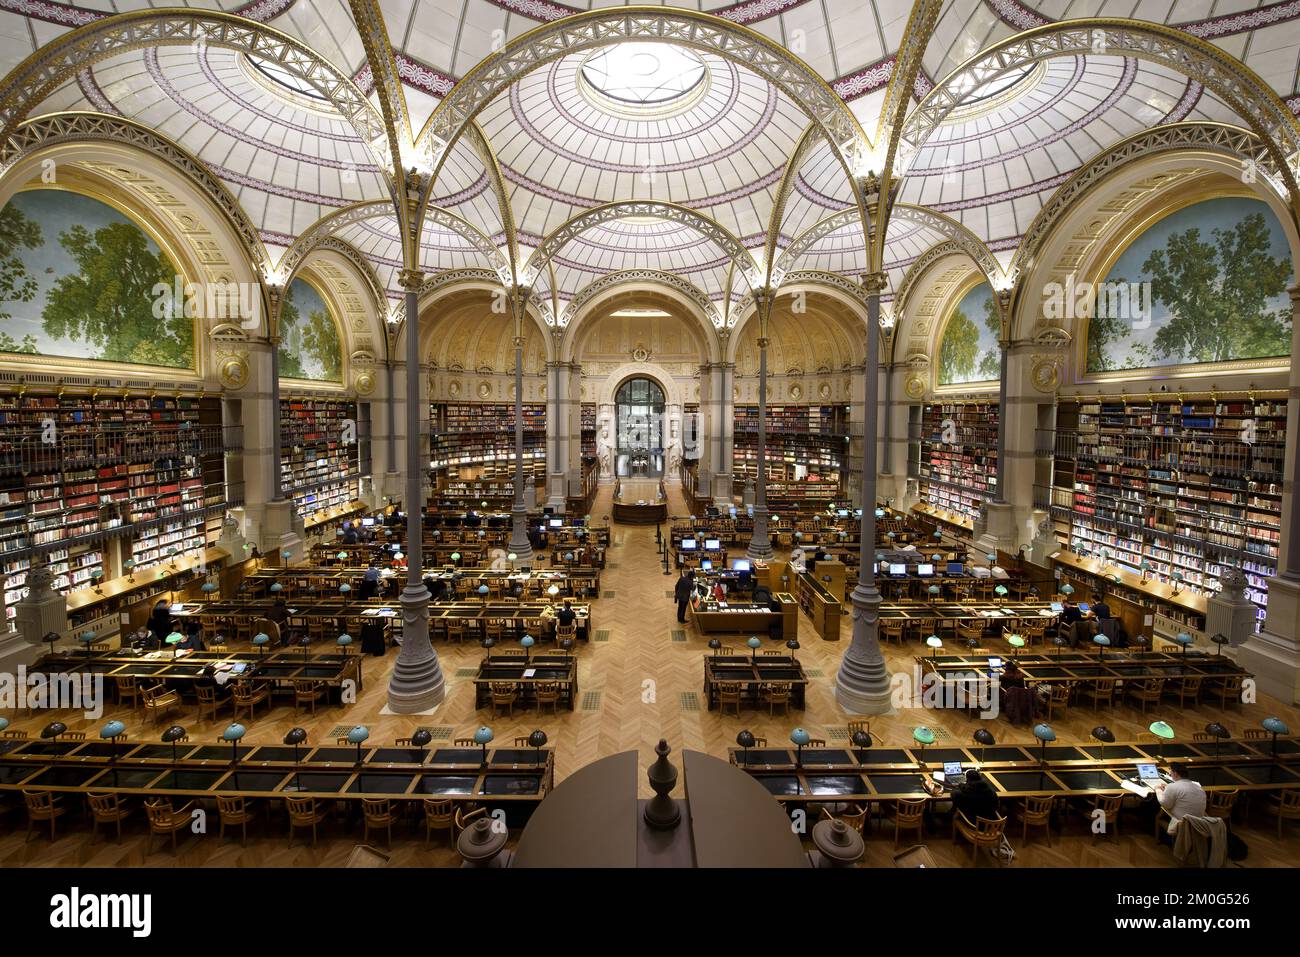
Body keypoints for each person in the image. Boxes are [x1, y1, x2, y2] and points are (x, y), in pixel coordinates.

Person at [1156, 763, 1206, 836]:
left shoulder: (1172, 787)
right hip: (1199, 823)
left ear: (1175, 773)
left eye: (1170, 774)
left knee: (1161, 811)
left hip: (1183, 823)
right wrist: (1167, 790)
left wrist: (1158, 790)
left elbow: (1165, 804)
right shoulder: (1199, 787)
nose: (1170, 775)